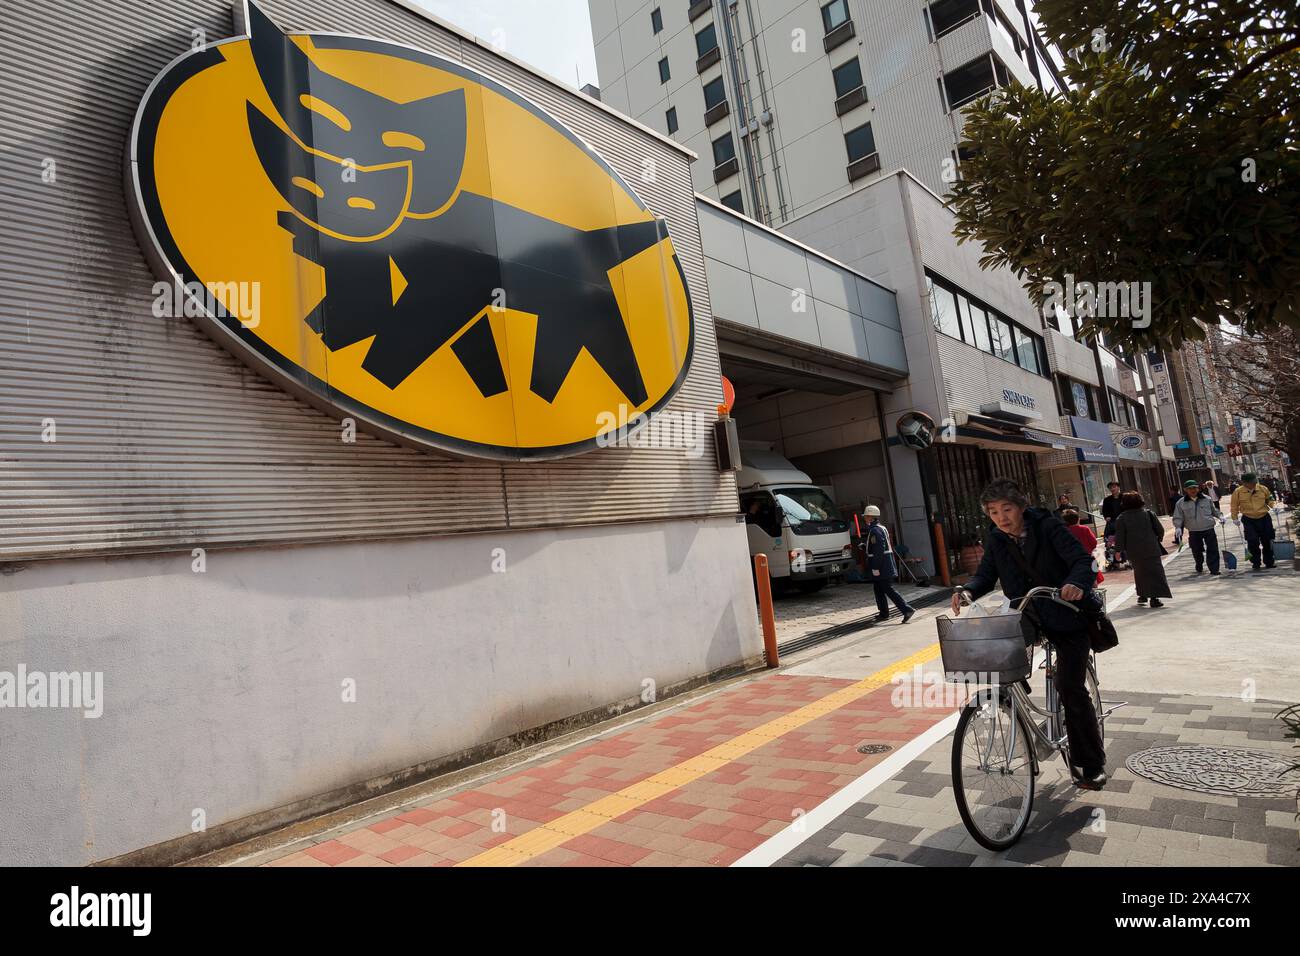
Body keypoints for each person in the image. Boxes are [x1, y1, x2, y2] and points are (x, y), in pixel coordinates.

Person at [949, 478, 1107, 790]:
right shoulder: (996, 539)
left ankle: (1091, 764)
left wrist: (1075, 583)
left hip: (1068, 615)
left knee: (1069, 687)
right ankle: (1013, 697)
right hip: (1028, 618)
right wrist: (967, 590)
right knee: (993, 661)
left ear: (1021, 507)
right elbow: (985, 575)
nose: (1001, 517)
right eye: (993, 512)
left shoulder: (1049, 527)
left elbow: (1082, 561)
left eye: (1006, 509)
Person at [1114, 491, 1172, 607]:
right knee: (1155, 572)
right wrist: (1157, 539)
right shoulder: (1149, 514)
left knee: (1140, 573)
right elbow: (1160, 530)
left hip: (1134, 550)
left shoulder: (1122, 518)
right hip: (1151, 548)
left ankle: (1142, 595)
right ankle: (1154, 598)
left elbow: (1120, 536)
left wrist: (1118, 551)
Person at [861, 506, 915, 624]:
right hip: (884, 563)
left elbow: (879, 549)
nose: (864, 518)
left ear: (870, 516)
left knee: (887, 589)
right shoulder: (881, 528)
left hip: (881, 565)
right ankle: (884, 613)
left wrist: (875, 567)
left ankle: (906, 609)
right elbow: (879, 547)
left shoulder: (875, 530)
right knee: (879, 589)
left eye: (866, 516)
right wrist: (866, 547)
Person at [1172, 478, 1221, 575]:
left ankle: (1214, 569)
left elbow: (1214, 511)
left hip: (1208, 528)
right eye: (1190, 488)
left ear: (1198, 488)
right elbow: (1178, 516)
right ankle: (1199, 563)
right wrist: (1178, 527)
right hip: (1193, 530)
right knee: (1196, 550)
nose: (1193, 490)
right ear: (1185, 490)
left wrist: (1221, 517)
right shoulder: (1181, 503)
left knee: (1213, 549)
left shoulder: (1207, 499)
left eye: (1194, 488)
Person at [1230, 472, 1277, 572]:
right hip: (1248, 519)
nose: (1254, 484)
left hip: (1264, 517)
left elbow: (1270, 499)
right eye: (1251, 483)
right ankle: (1256, 562)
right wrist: (1234, 518)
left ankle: (1269, 561)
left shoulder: (1263, 488)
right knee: (1252, 541)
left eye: (1254, 482)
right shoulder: (1238, 492)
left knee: (1268, 540)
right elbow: (1234, 506)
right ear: (1244, 483)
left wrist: (1274, 506)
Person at [1061, 509, 1104, 585]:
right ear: (1078, 519)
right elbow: (1094, 542)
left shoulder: (1065, 531)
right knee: (1093, 577)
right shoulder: (1084, 529)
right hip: (1088, 556)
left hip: (1073, 559)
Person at [1099, 481, 1127, 570]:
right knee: (1111, 542)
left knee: (1126, 541)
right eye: (1111, 487)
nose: (1112, 489)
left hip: (1124, 522)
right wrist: (1106, 517)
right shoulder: (1107, 500)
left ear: (1118, 487)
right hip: (1112, 524)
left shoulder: (1125, 497)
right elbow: (1104, 511)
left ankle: (1127, 559)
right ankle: (1115, 562)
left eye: (1114, 487)